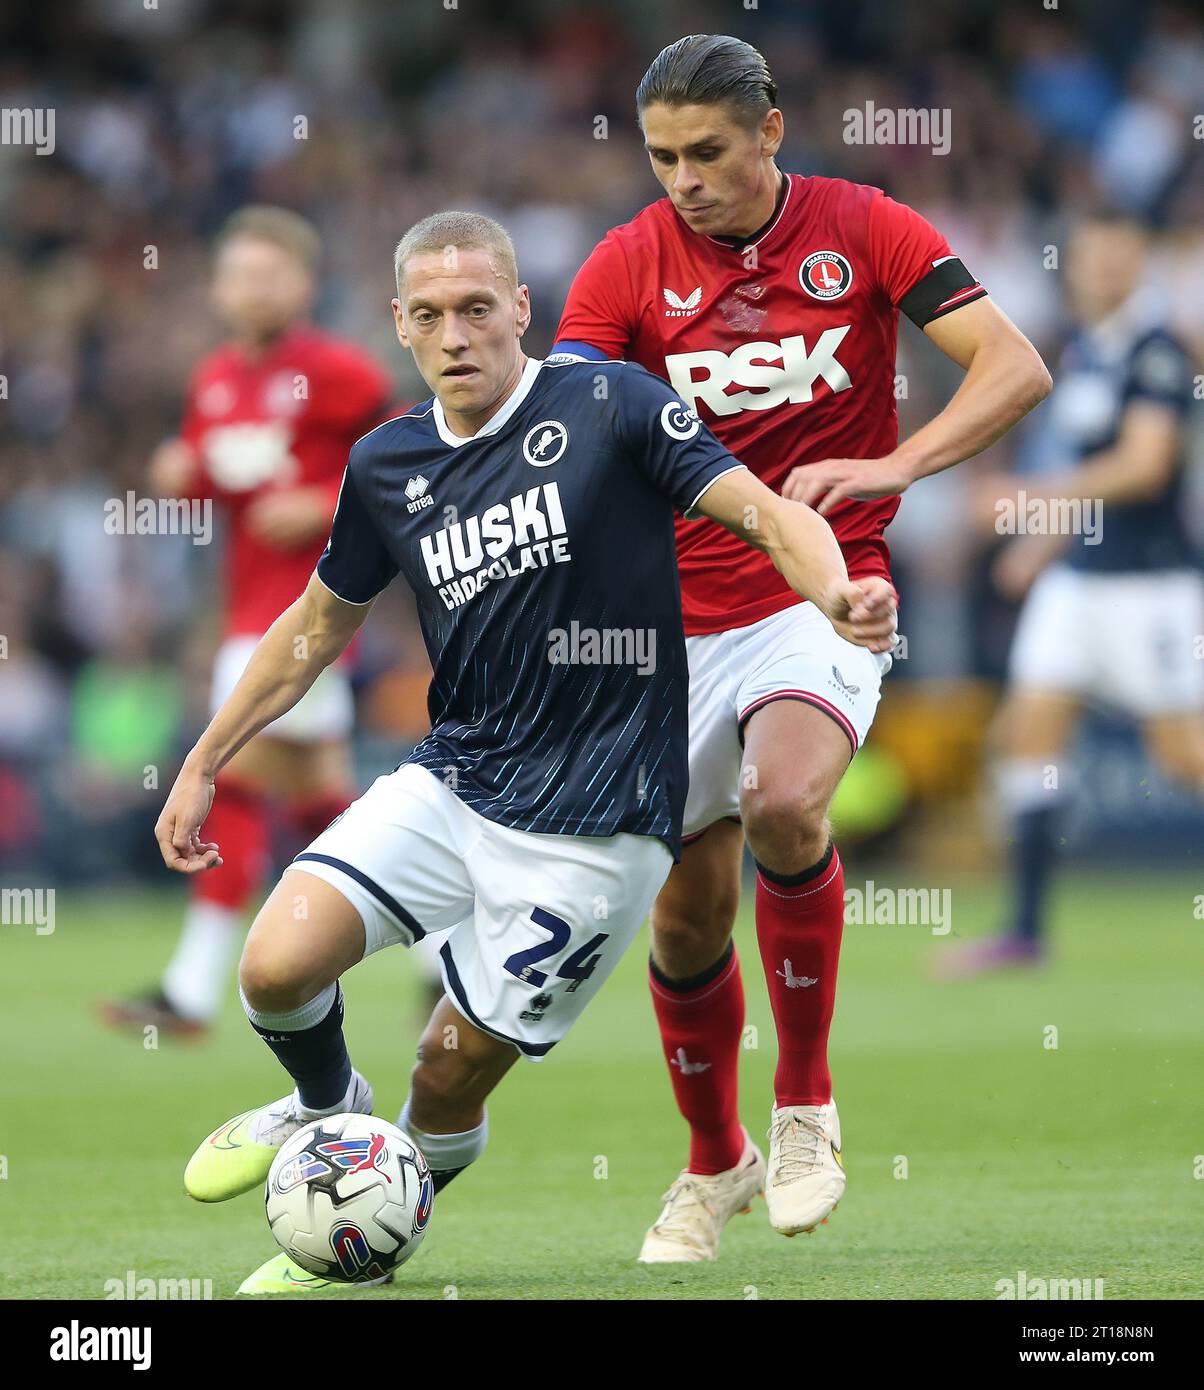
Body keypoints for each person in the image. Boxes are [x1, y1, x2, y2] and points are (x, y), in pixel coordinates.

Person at [157, 210, 898, 1293]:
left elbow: (765, 514)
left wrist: (834, 592)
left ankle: (352, 1233)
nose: (455, 334)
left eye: (474, 309)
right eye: (428, 316)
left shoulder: (612, 404)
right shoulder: (387, 461)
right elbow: (318, 624)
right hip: (458, 777)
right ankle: (327, 1110)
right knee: (272, 969)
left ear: (519, 310)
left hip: (600, 823)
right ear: (400, 328)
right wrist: (206, 755)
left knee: (449, 1073)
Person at [551, 33, 1051, 1259]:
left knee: (786, 804)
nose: (683, 179)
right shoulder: (624, 266)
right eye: (664, 156)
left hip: (821, 594)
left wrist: (894, 465)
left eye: (708, 152)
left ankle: (805, 1105)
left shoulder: (865, 226)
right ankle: (708, 1160)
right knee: (682, 919)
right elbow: (563, 429)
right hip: (667, 626)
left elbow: (1013, 366)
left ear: (769, 131)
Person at [100, 206, 393, 1038]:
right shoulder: (215, 380)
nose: (252, 289)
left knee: (228, 775)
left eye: (269, 273)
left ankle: (191, 990)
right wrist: (181, 474)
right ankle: (445, 942)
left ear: (303, 284)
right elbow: (220, 487)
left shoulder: (340, 372)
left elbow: (418, 463)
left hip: (316, 614)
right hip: (248, 606)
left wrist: (326, 496)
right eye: (238, 274)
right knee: (315, 803)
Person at [943, 208, 1203, 977]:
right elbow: (1095, 474)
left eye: (1119, 257)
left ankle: (1024, 930)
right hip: (1078, 585)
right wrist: (1042, 542)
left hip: (1149, 588)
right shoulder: (1087, 351)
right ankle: (1024, 931)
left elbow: (1144, 467)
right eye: (1092, 257)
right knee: (1026, 731)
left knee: (1184, 753)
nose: (1104, 270)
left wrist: (1025, 497)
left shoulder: (1158, 353)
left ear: (1140, 263)